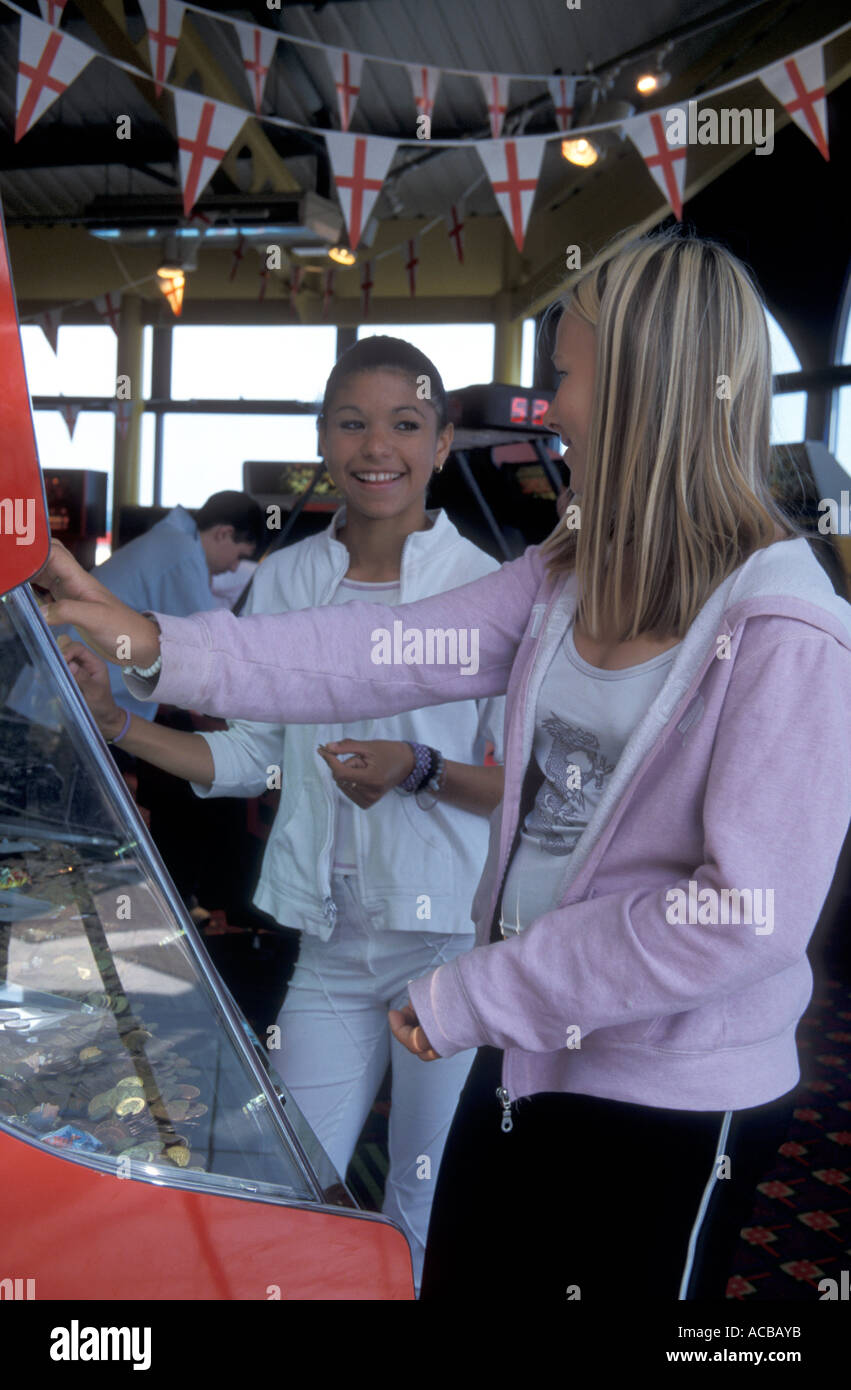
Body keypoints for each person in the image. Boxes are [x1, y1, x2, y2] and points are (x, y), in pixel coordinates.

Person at [37, 230, 851, 1302]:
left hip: (669, 1090)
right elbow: (366, 650)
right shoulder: (567, 573)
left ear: (646, 389)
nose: (549, 407)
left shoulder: (791, 626)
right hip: (529, 1049)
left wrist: (480, 988)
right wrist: (152, 638)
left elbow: (739, 917)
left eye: (564, 375)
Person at [51, 337, 505, 1296]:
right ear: (321, 437)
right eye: (352, 421)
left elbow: (525, 791)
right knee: (280, 1188)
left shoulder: (486, 586)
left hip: (448, 949)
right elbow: (251, 758)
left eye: (405, 423)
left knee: (419, 1201)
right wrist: (119, 724)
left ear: (441, 440)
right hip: (330, 944)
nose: (376, 445)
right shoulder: (287, 579)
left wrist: (416, 768)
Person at [91, 491, 265, 719]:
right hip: (76, 704)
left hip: (83, 691)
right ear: (224, 534)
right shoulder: (183, 556)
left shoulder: (174, 541)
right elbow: (210, 651)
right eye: (239, 556)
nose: (234, 568)